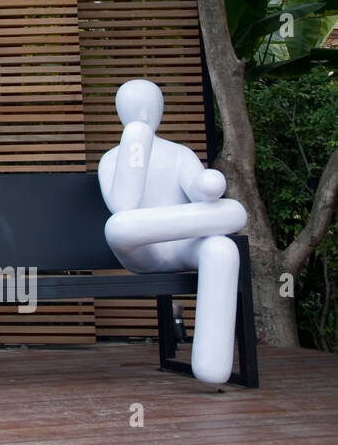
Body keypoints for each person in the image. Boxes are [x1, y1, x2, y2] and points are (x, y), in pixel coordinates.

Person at [97, 79, 247, 384]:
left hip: (184, 245)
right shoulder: (112, 159)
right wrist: (135, 144)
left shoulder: (180, 154)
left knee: (222, 249)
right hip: (142, 249)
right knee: (119, 227)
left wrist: (207, 186)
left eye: (149, 105)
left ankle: (212, 366)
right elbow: (123, 205)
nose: (143, 112)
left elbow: (198, 190)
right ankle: (225, 217)